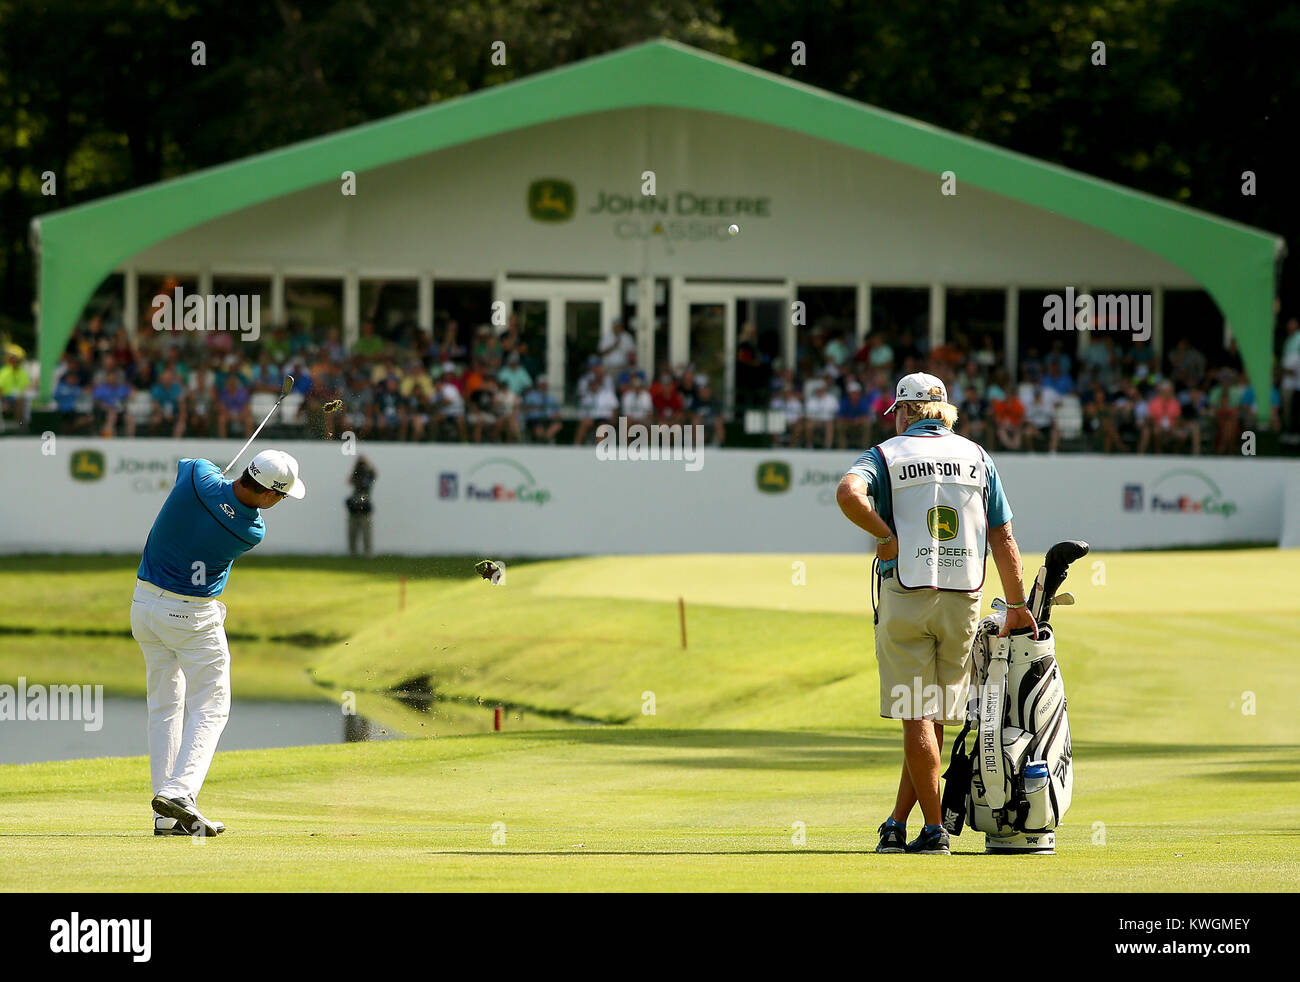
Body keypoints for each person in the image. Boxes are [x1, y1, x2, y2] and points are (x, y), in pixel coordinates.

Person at [835, 372, 1033, 856]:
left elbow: (847, 494)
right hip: (963, 598)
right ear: (944, 412)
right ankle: (897, 823)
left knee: (915, 714)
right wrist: (1017, 607)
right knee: (933, 716)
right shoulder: (978, 456)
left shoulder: (886, 453)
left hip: (906, 594)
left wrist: (884, 537)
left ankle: (933, 830)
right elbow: (1002, 538)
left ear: (905, 411)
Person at [131, 449, 307, 836]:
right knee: (211, 705)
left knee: (164, 706)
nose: (278, 503)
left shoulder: (196, 478)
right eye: (279, 496)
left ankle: (166, 814)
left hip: (143, 606)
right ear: (266, 494)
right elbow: (232, 506)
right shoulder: (250, 531)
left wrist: (221, 481)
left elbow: (195, 465)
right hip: (192, 616)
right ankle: (179, 792)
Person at [346, 456, 377, 557]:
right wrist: (355, 469)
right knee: (352, 532)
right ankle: (353, 552)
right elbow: (349, 481)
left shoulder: (368, 476)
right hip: (354, 508)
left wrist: (367, 463)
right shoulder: (356, 475)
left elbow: (374, 474)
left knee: (366, 532)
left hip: (364, 507)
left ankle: (368, 552)